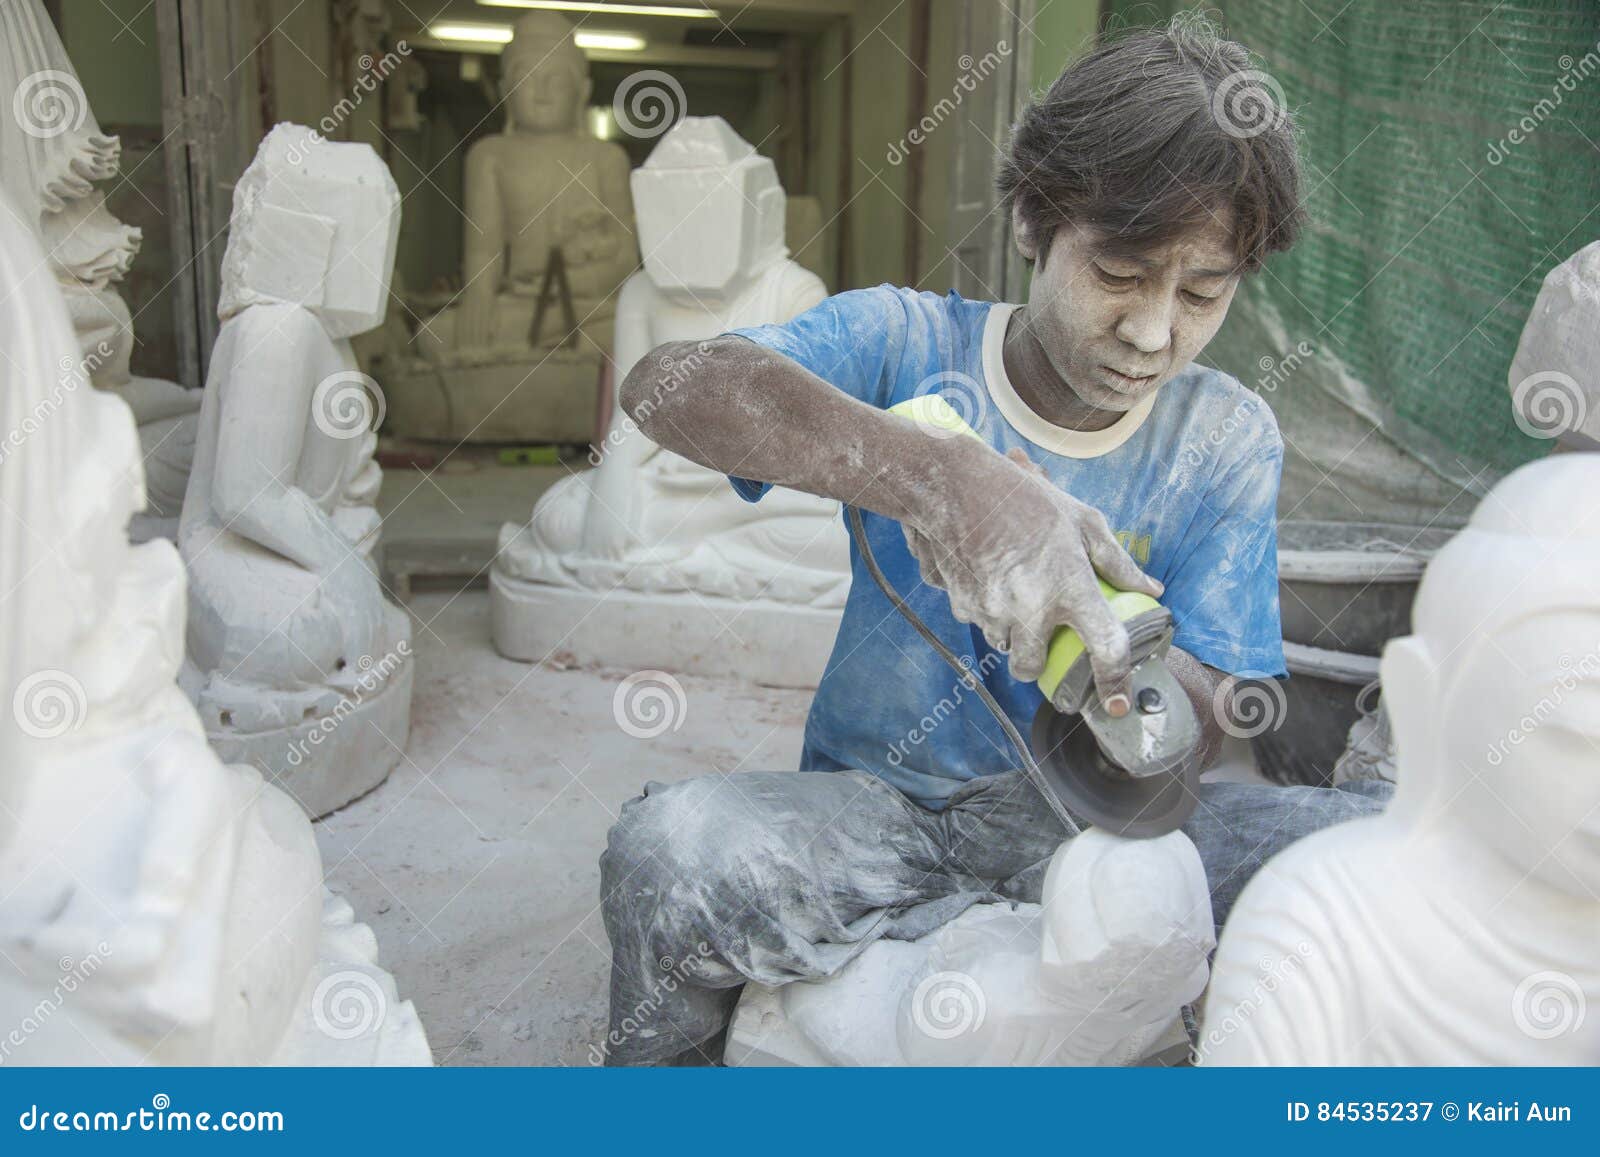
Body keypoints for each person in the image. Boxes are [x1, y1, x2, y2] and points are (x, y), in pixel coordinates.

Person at [597, 19, 1392, 1066]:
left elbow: (1215, 701)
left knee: (1355, 864)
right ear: (1031, 220)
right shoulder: (902, 341)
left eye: (1202, 293)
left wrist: (1129, 693)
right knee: (671, 851)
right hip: (877, 812)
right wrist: (944, 482)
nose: (1155, 332)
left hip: (1089, 828)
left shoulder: (1225, 435)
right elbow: (669, 389)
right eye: (1119, 271)